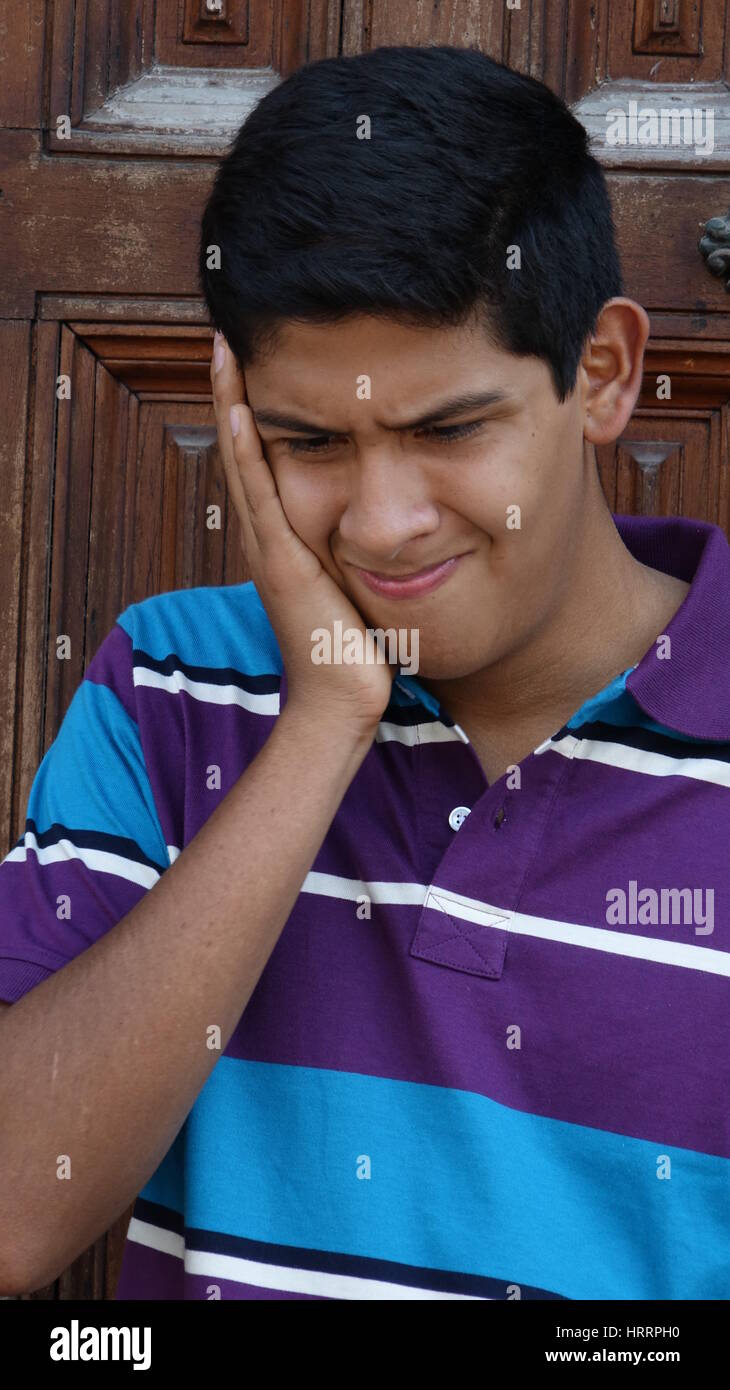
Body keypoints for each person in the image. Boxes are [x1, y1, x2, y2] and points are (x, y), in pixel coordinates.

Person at [0, 44, 727, 1302]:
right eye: (309, 443)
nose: (383, 522)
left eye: (448, 431)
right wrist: (330, 714)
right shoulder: (170, 690)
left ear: (600, 373)